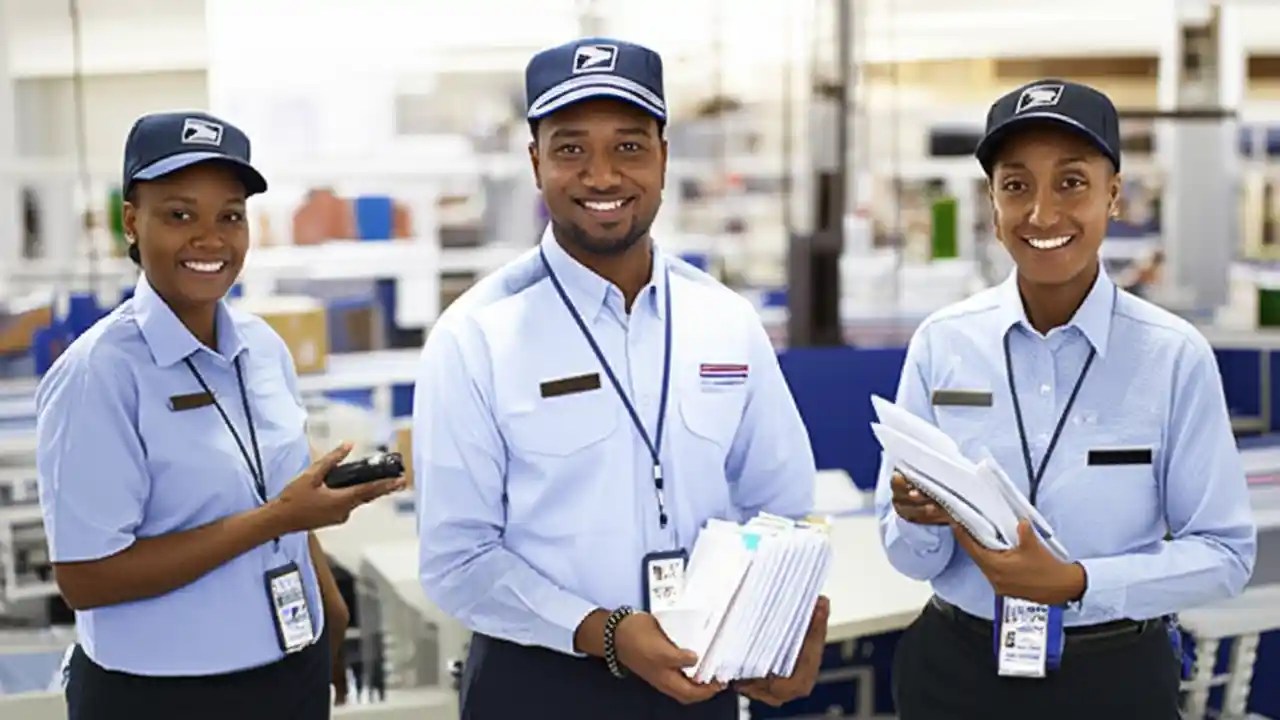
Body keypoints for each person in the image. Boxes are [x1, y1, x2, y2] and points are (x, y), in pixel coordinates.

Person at [413, 37, 830, 720]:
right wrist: (604, 632)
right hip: (540, 684)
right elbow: (457, 560)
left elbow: (781, 507)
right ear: (535, 162)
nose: (602, 175)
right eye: (571, 149)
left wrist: (790, 626)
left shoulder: (725, 320)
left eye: (629, 147)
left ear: (663, 156)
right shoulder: (477, 336)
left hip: (700, 678)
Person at [874, 78, 1258, 720]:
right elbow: (909, 558)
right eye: (1016, 185)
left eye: (1072, 182)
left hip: (1114, 676)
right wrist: (916, 521)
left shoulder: (1172, 356)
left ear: (1114, 194)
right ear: (992, 202)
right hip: (955, 671)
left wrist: (1078, 583)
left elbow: (1225, 554)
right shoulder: (943, 343)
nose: (1042, 214)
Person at [35, 110, 406, 720]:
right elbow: (87, 579)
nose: (210, 239)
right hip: (162, 696)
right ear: (132, 222)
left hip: (291, 670)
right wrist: (277, 519)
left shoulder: (262, 348)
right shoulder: (99, 374)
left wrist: (329, 608)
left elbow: (274, 491)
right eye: (179, 215)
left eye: (229, 216)